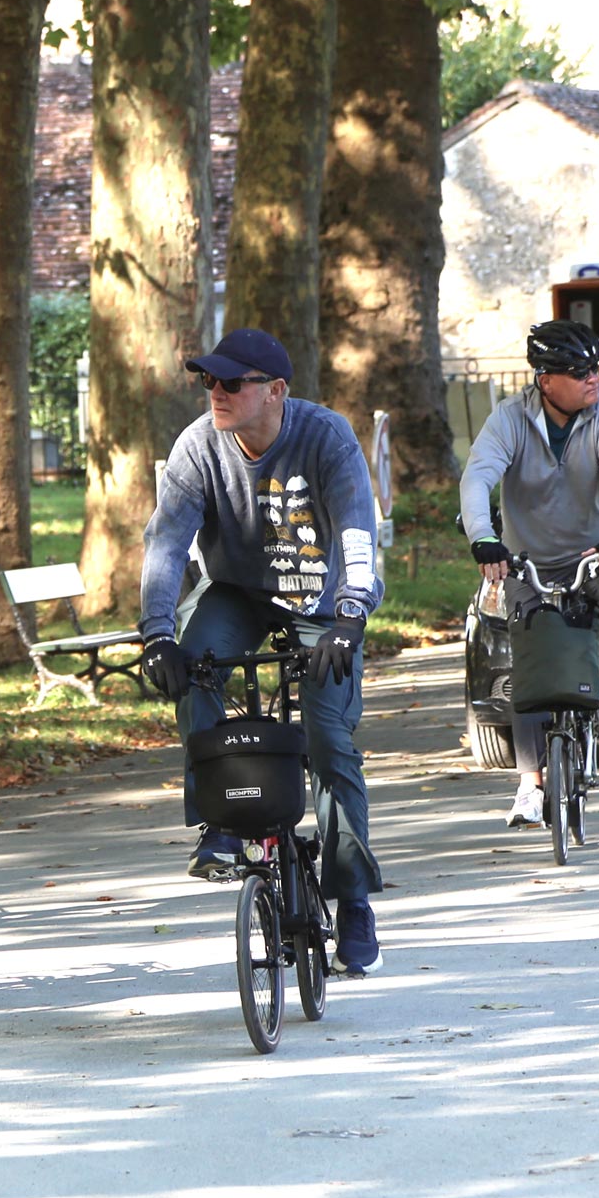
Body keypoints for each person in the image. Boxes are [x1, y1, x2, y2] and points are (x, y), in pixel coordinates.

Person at [137, 327, 386, 977]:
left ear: (276, 391)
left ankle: (352, 897)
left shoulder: (326, 437)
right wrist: (156, 634)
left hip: (323, 603)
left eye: (232, 383)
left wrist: (352, 615)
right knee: (195, 666)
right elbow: (166, 544)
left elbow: (358, 527)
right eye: (209, 382)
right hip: (240, 593)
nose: (215, 393)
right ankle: (218, 824)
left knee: (329, 736)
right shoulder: (199, 447)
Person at [460, 318, 599, 830]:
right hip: (525, 560)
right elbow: (477, 479)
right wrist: (484, 537)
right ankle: (529, 785)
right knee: (531, 660)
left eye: (597, 367)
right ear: (546, 380)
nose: (595, 378)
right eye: (581, 370)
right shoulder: (509, 420)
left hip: (596, 552)